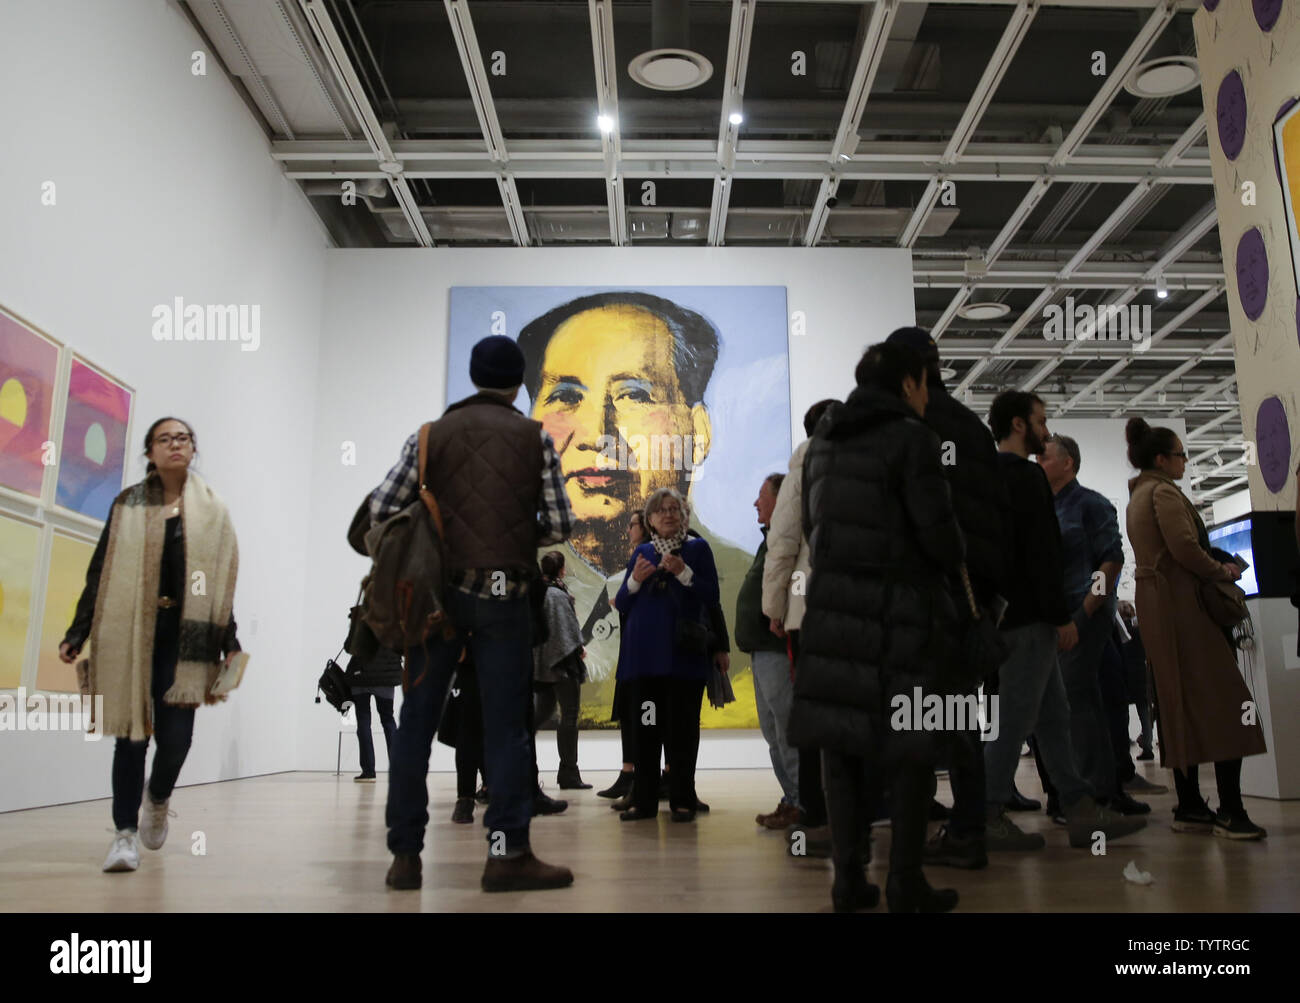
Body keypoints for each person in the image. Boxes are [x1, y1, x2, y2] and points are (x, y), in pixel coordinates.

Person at [373, 335, 576, 893]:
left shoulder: (429, 437)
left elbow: (381, 509)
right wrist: (512, 532)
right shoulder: (534, 439)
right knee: (506, 728)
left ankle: (406, 857)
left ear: (471, 374)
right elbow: (560, 523)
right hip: (504, 597)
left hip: (435, 603)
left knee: (416, 721)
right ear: (518, 383)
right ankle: (506, 853)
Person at [787, 342, 964, 914]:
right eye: (925, 383)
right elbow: (938, 537)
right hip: (900, 612)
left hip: (833, 609)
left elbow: (814, 530)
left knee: (841, 746)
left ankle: (849, 879)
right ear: (910, 384)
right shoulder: (914, 440)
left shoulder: (820, 447)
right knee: (909, 747)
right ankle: (905, 882)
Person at [515, 292, 753, 701]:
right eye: (567, 397)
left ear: (698, 433)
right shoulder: (513, 579)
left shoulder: (740, 586)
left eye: (634, 395)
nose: (595, 435)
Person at [59, 418, 240, 873]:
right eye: (165, 439)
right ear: (149, 453)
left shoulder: (211, 511)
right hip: (132, 636)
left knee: (177, 741)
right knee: (131, 737)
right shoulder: (128, 505)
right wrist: (78, 632)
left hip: (187, 640)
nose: (175, 444)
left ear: (193, 449)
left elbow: (216, 585)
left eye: (183, 438)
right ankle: (123, 834)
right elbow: (101, 570)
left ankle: (157, 799)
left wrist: (230, 641)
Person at [981, 392, 1145, 852]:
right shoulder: (1026, 477)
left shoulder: (988, 477)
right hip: (1032, 616)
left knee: (1054, 716)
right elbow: (1040, 554)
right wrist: (1062, 618)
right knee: (1016, 719)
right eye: (1040, 421)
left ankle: (1079, 809)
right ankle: (987, 813)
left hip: (1009, 614)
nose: (1046, 429)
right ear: (1019, 424)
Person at [878, 328, 1008, 873]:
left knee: (933, 716)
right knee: (954, 715)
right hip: (970, 590)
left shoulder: (924, 425)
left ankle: (958, 831)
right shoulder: (966, 425)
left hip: (937, 591)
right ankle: (965, 826)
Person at [1124, 418, 1267, 839]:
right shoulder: (1164, 493)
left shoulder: (1139, 495)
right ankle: (1231, 811)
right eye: (1181, 454)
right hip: (1185, 609)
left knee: (1178, 708)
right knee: (1227, 705)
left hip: (1162, 610)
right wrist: (1219, 569)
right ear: (1161, 459)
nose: (1186, 461)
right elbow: (1184, 546)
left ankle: (1190, 806)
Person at [1036, 434, 1148, 816]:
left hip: (1084, 614)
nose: (1038, 461)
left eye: (1045, 456)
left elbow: (1110, 563)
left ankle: (1092, 794)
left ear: (1068, 463)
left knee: (1072, 696)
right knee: (1080, 699)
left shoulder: (1091, 505)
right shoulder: (1045, 507)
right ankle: (1094, 790)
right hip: (1058, 617)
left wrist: (1085, 612)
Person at [613, 487, 719, 822]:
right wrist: (635, 580)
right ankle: (643, 802)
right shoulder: (642, 551)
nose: (669, 514)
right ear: (650, 520)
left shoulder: (698, 549)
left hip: (683, 660)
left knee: (682, 733)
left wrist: (682, 572)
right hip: (644, 660)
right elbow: (622, 601)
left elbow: (711, 595)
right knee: (645, 731)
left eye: (675, 509)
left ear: (684, 516)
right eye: (661, 511)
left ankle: (682, 799)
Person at [763, 399, 838, 858]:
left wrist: (773, 607)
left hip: (808, 611)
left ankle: (815, 814)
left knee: (810, 715)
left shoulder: (805, 460)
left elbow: (784, 539)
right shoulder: (869, 458)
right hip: (862, 609)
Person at [737, 473, 801, 831]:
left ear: (781, 498)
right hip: (762, 651)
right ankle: (791, 799)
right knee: (773, 732)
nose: (756, 504)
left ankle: (802, 803)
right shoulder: (771, 540)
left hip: (777, 649)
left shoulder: (789, 538)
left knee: (786, 730)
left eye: (762, 497)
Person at [597, 512, 647, 800]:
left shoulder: (647, 558)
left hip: (641, 652)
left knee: (641, 716)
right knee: (629, 715)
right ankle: (629, 773)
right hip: (630, 649)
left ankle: (639, 776)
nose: (628, 529)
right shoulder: (636, 558)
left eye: (632, 525)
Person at [534, 550, 590, 790]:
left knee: (540, 716)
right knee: (569, 716)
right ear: (561, 570)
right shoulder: (558, 595)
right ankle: (568, 773)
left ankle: (526, 767)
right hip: (563, 667)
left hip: (544, 665)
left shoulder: (540, 593)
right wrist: (576, 648)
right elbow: (568, 632)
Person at [345, 646, 400, 782]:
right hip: (386, 676)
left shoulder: (360, 624)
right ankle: (398, 769)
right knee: (388, 721)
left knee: (363, 721)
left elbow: (349, 646)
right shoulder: (392, 625)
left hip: (361, 675)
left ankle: (368, 771)